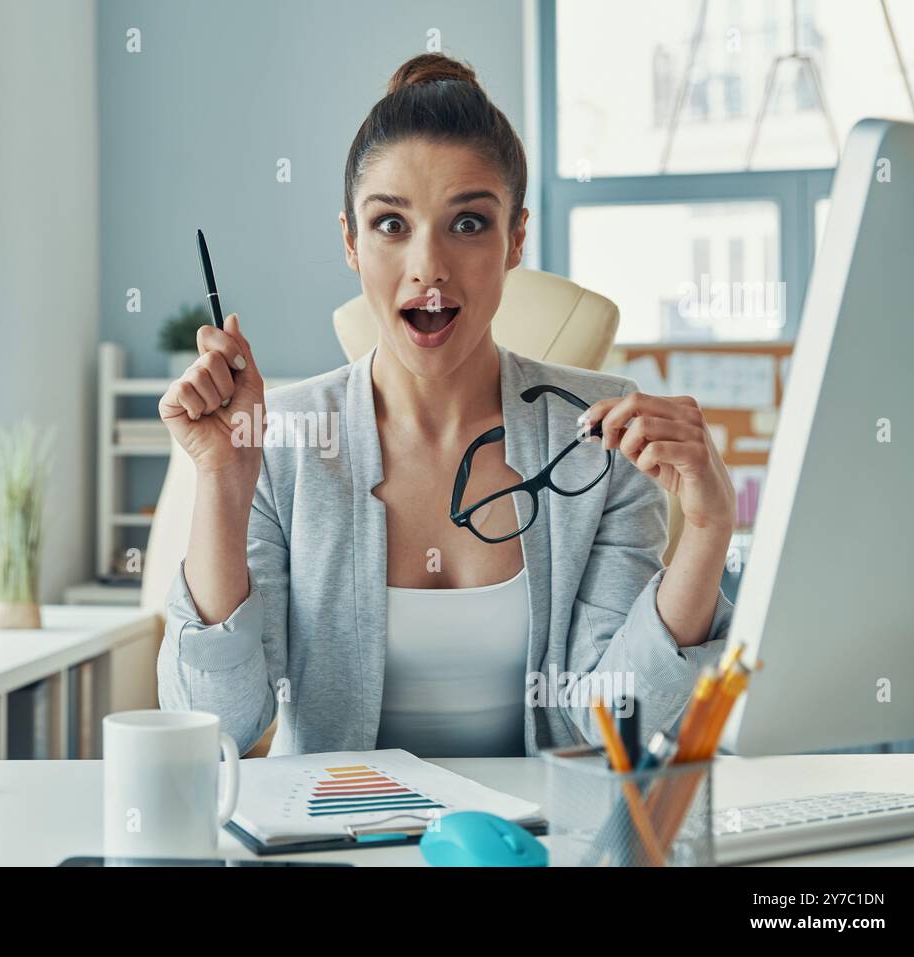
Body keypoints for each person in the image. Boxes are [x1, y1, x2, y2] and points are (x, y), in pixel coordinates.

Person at [156, 53, 736, 759]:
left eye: (467, 224)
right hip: (336, 846)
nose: (428, 266)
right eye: (391, 225)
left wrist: (707, 531)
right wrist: (223, 481)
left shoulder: (599, 431)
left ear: (516, 238)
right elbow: (217, 723)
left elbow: (618, 719)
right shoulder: (282, 439)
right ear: (350, 242)